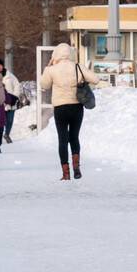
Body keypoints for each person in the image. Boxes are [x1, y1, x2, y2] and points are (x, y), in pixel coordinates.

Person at [37, 42, 100, 181]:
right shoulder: (78, 67)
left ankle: (66, 173)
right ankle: (77, 167)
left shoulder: (52, 69)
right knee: (74, 137)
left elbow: (44, 85)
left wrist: (48, 67)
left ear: (56, 55)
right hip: (76, 107)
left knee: (62, 140)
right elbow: (96, 79)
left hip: (60, 108)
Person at [0, 59, 21, 146]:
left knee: (10, 120)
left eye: (0, 65)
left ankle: (7, 134)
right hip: (0, 103)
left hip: (11, 101)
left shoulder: (10, 76)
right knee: (2, 120)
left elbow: (17, 85)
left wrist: (14, 97)